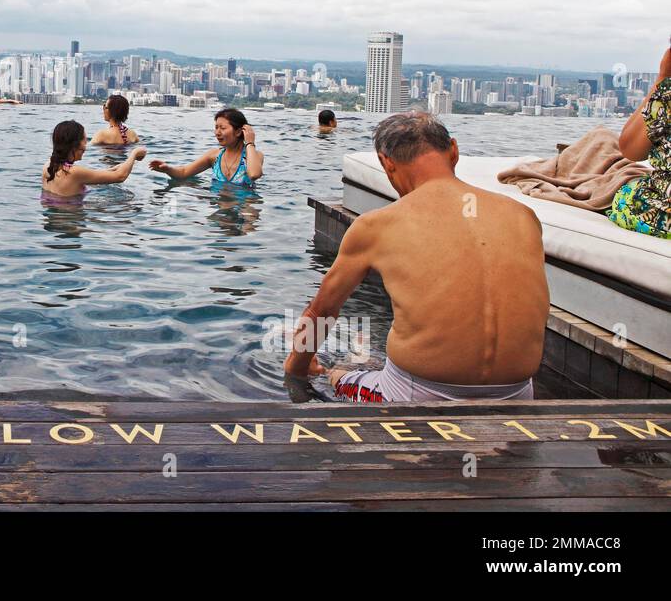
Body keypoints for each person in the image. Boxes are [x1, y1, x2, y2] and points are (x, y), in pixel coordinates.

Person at [283, 111, 549, 402]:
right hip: (517, 393)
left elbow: (320, 313)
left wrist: (297, 368)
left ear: (387, 163)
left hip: (416, 395)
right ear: (454, 151)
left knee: (337, 374)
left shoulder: (376, 226)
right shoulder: (523, 216)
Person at [609, 45, 671, 239]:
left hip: (660, 219)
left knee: (627, 194)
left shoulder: (668, 97)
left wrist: (663, 78)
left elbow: (630, 150)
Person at [149, 108, 263, 188]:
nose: (217, 132)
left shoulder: (254, 155)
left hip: (245, 207)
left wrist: (250, 143)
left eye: (222, 128)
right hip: (219, 204)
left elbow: (254, 174)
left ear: (238, 132)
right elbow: (184, 172)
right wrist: (168, 169)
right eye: (216, 127)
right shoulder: (214, 156)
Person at [41, 120, 146, 202]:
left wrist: (119, 167)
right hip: (72, 220)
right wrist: (134, 153)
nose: (85, 145)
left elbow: (93, 175)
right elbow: (120, 176)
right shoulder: (74, 172)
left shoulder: (48, 166)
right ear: (75, 144)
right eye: (84, 140)